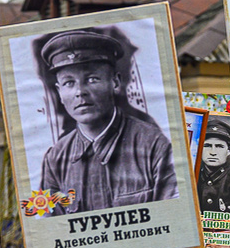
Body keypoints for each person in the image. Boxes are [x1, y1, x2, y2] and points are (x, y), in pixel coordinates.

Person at [34, 28, 179, 214]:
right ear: (59, 92)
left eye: (92, 79)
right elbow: (52, 232)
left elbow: (173, 222)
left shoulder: (154, 145)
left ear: (115, 82)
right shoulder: (55, 159)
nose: (80, 92)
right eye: (69, 83)